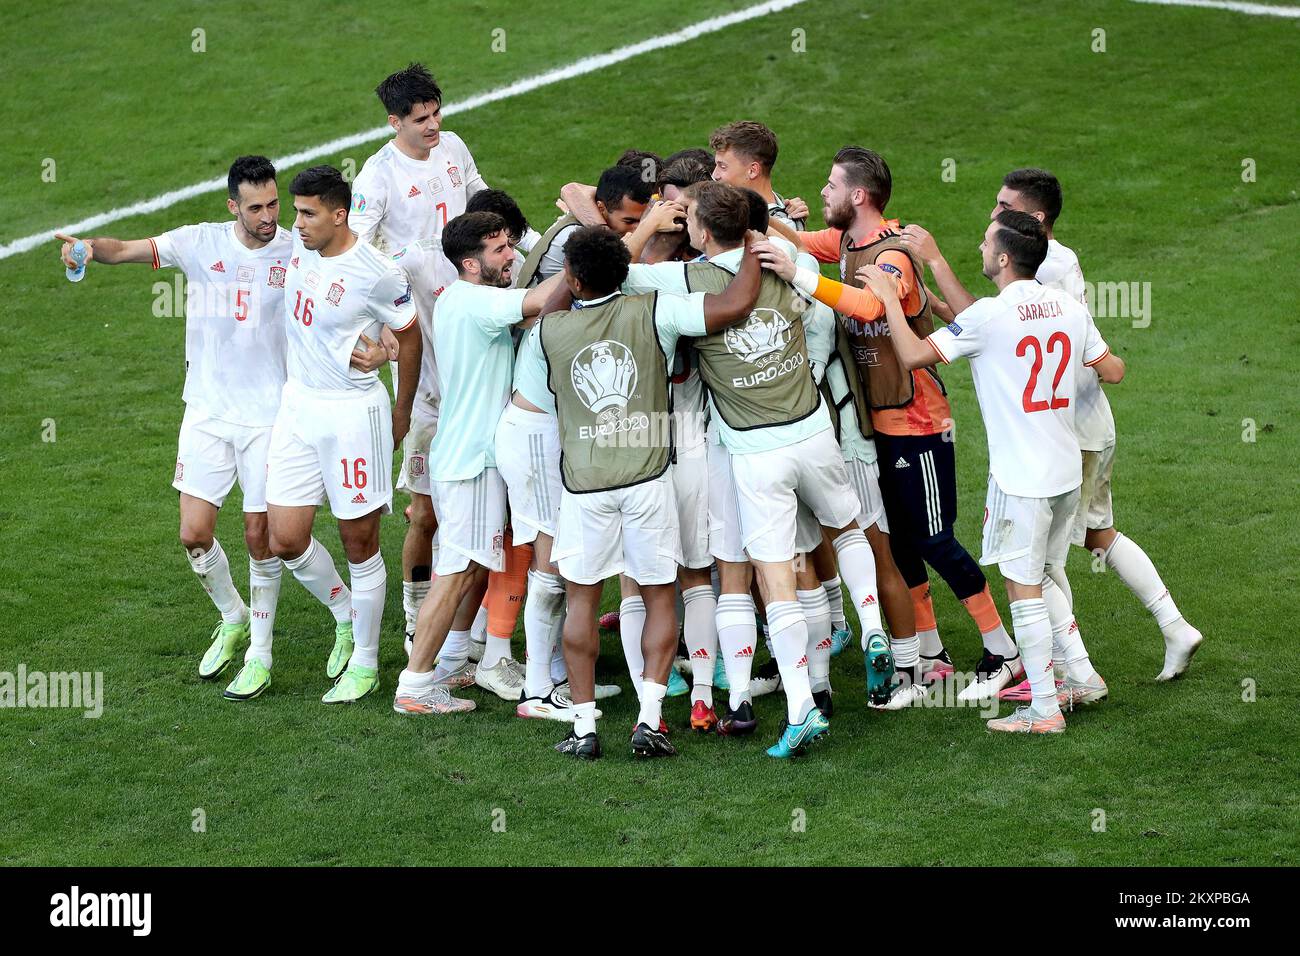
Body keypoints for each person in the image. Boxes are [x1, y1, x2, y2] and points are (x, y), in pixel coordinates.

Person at [55, 157, 385, 696]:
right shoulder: (198, 242)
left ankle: (262, 653)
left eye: (274, 204)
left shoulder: (298, 246)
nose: (268, 216)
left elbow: (352, 278)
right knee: (193, 534)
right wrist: (89, 249)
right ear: (232, 205)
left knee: (264, 539)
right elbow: (130, 250)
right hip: (206, 411)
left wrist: (380, 340)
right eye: (255, 207)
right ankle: (237, 616)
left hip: (270, 415)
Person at [901, 169, 1203, 687]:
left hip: (1064, 428)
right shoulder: (1053, 265)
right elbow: (997, 325)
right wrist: (949, 308)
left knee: (1043, 559)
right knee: (1089, 535)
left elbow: (999, 325)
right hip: (1075, 422)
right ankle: (1150, 637)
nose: (994, 214)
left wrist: (934, 265)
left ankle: (1067, 674)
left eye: (1003, 206)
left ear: (1032, 221)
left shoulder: (1050, 267)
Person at [861, 210, 1125, 732]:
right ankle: (1083, 675)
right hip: (1068, 469)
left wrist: (891, 300)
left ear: (1004, 258)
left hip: (1021, 480)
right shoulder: (1066, 307)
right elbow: (1114, 370)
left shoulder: (989, 316)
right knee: (1047, 575)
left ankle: (1045, 709)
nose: (980, 248)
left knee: (1021, 586)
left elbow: (913, 354)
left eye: (985, 243)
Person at [773, 147, 1021, 701]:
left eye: (831, 185)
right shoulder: (847, 243)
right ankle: (929, 651)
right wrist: (756, 209)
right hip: (878, 426)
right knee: (902, 543)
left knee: (934, 540)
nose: (823, 193)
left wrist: (798, 276)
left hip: (920, 424)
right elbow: (796, 240)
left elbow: (865, 306)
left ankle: (1004, 649)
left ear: (858, 195)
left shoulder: (895, 255)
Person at [542, 224, 763, 759]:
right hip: (648, 480)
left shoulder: (550, 330)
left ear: (571, 277)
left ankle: (584, 728)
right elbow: (734, 304)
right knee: (661, 591)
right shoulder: (656, 310)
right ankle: (650, 720)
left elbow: (547, 303)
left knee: (582, 600)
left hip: (585, 488)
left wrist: (569, 281)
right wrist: (753, 248)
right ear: (626, 272)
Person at [392, 212, 566, 716]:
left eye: (510, 245)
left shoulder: (466, 300)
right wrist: (589, 251)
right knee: (456, 571)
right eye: (498, 250)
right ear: (470, 264)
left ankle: (440, 667)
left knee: (466, 571)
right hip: (470, 463)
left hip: (467, 458)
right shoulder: (476, 302)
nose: (510, 255)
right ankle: (415, 685)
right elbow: (539, 300)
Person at [261, 165, 421, 703]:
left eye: (307, 213)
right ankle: (343, 613)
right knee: (283, 538)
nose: (296, 224)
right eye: (295, 212)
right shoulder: (297, 246)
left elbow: (410, 335)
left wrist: (401, 410)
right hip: (298, 409)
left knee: (359, 542)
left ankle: (367, 664)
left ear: (339, 214)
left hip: (355, 415)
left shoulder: (376, 272)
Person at [709, 120, 808, 229]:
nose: (715, 175)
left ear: (752, 171)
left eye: (723, 166)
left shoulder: (781, 229)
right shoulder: (729, 208)